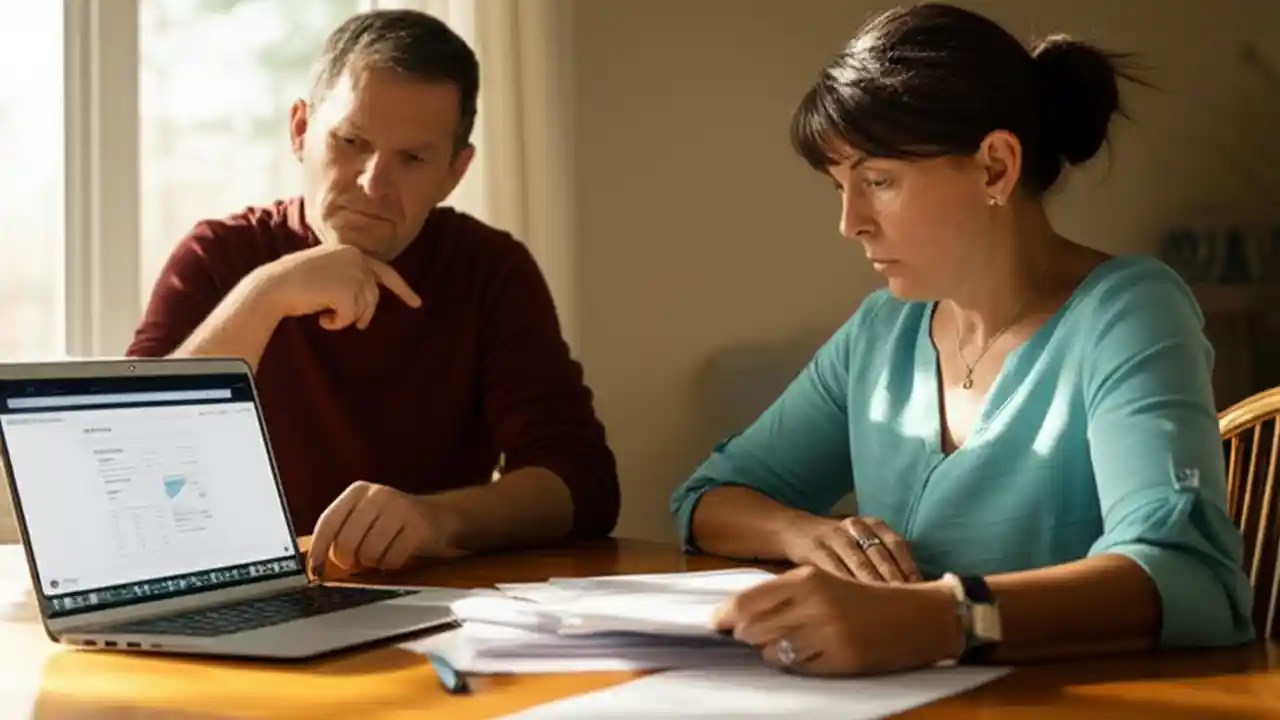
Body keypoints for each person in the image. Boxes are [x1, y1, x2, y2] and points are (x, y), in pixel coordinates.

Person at [671, 3, 1254, 676]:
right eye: (839, 188)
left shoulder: (1129, 313)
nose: (850, 222)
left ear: (995, 167)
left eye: (877, 181)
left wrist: (939, 618)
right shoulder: (881, 333)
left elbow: (1191, 577)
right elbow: (707, 498)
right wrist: (806, 533)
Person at [129, 9, 619, 578]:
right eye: (352, 141)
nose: (373, 184)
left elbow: (582, 482)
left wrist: (436, 521)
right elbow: (124, 463)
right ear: (300, 130)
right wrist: (266, 296)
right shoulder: (220, 257)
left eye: (412, 159)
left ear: (455, 172)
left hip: (431, 598)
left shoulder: (489, 269)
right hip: (238, 594)